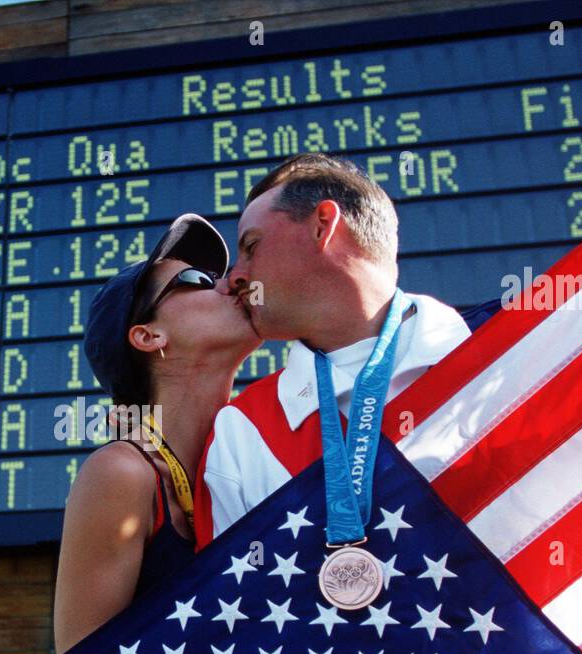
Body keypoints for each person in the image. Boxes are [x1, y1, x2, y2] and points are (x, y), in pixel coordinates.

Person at [0, 214, 261, 654]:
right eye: (199, 278)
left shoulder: (266, 459)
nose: (229, 284)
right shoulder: (122, 473)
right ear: (149, 337)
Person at [193, 154, 473, 548]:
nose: (235, 277)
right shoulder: (242, 429)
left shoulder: (510, 356)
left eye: (251, 246)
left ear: (323, 225)